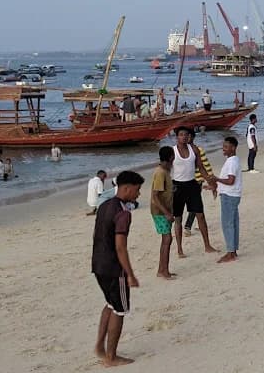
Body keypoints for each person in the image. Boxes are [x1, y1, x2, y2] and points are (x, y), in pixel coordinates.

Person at [91, 169, 144, 367]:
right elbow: (120, 247)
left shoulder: (104, 205)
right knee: (120, 310)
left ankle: (100, 347)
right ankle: (111, 357)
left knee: (110, 304)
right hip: (114, 268)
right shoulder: (123, 213)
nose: (138, 194)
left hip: (98, 264)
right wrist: (130, 274)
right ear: (127, 188)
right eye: (137, 190)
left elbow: (97, 235)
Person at [171, 127, 217, 256]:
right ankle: (180, 249)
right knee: (178, 218)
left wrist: (210, 181)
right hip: (177, 187)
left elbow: (201, 168)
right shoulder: (172, 151)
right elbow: (166, 169)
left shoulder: (194, 150)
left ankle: (207, 245)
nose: (184, 137)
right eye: (181, 135)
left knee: (200, 215)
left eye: (186, 135)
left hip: (192, 185)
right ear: (177, 137)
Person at [203, 137, 242, 264]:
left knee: (228, 224)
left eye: (226, 147)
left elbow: (230, 181)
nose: (223, 149)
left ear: (233, 148)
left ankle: (231, 252)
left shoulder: (232, 162)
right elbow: (229, 181)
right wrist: (214, 186)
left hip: (229, 196)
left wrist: (216, 179)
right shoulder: (233, 160)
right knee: (233, 223)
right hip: (232, 194)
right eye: (223, 146)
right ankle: (233, 251)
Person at [183, 129, 215, 236]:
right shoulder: (181, 150)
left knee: (194, 204)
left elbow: (206, 164)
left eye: (188, 136)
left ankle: (188, 227)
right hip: (185, 181)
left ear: (193, 137)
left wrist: (211, 179)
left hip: (197, 181)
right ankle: (200, 223)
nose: (186, 138)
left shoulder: (198, 150)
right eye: (185, 136)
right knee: (195, 203)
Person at [151, 147, 176, 279]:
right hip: (160, 211)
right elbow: (155, 196)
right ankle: (163, 271)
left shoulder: (166, 171)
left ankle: (162, 269)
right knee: (167, 239)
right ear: (171, 157)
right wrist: (166, 213)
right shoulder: (160, 173)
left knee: (166, 239)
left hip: (165, 209)